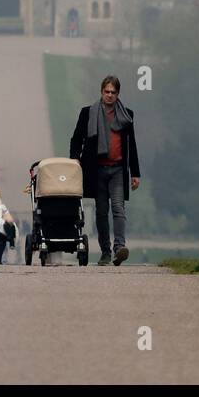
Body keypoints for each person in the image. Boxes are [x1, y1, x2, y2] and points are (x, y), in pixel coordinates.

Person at [69, 75, 141, 266]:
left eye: (113, 92)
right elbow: (76, 139)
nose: (109, 95)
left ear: (118, 94)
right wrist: (75, 159)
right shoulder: (88, 113)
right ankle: (105, 252)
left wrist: (135, 173)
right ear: (101, 92)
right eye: (106, 91)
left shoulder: (126, 115)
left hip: (118, 169)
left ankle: (119, 248)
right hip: (97, 169)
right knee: (101, 212)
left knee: (118, 209)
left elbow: (131, 145)